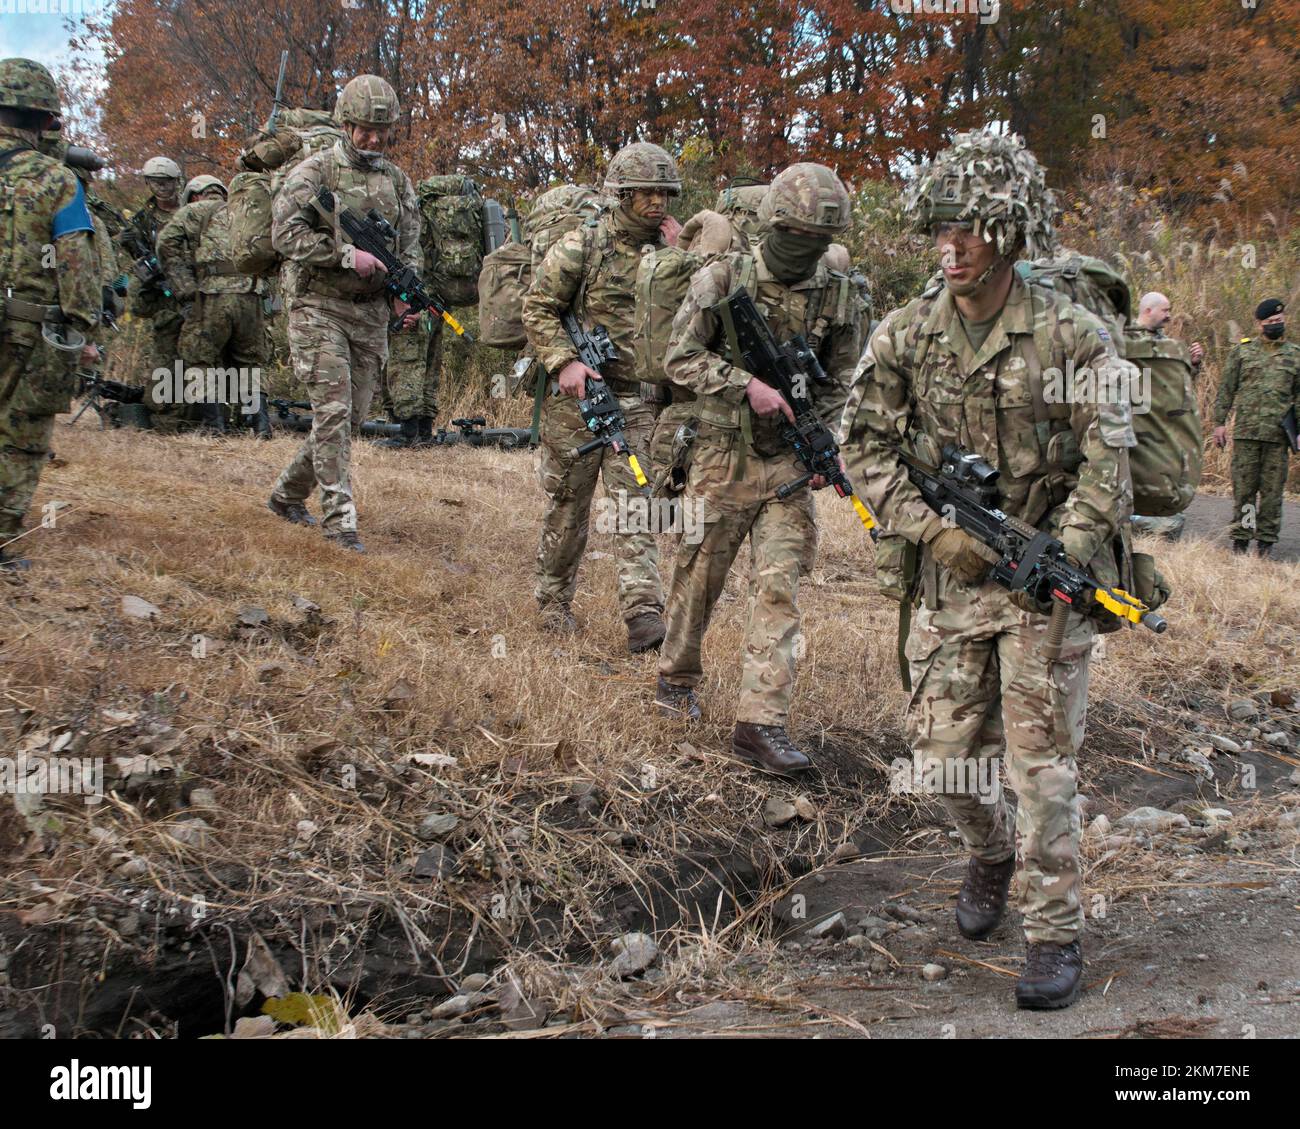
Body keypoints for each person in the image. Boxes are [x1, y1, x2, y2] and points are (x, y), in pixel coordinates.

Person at [841, 128, 1136, 1009]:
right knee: (940, 763)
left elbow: (1108, 462)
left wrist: (1068, 551)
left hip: (1045, 588)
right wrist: (936, 534)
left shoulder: (1074, 336)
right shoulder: (908, 331)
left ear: (1010, 231)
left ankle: (1053, 933)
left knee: (1041, 769)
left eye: (970, 226)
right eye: (943, 226)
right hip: (952, 579)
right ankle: (990, 853)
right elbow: (861, 444)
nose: (952, 244)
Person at [654, 164, 863, 775]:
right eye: (796, 235)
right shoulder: (723, 276)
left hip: (791, 461)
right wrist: (744, 383)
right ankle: (676, 678)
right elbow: (679, 359)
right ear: (773, 225)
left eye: (818, 240)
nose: (807, 250)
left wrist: (827, 442)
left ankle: (760, 724)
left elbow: (842, 379)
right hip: (723, 453)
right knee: (699, 578)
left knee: (780, 587)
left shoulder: (839, 291)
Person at [521, 142, 680, 650]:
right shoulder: (582, 246)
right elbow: (538, 307)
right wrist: (564, 362)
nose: (656, 202)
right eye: (645, 193)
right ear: (622, 194)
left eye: (664, 192)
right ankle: (551, 600)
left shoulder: (674, 251)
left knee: (636, 500)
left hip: (639, 400)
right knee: (569, 501)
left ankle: (643, 614)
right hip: (577, 400)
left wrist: (687, 256)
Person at [265, 74, 421, 551]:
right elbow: (283, 234)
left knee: (349, 420)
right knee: (331, 413)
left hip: (370, 316)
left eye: (381, 130)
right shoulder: (316, 171)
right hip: (319, 308)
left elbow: (411, 246)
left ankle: (287, 494)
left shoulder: (396, 181)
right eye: (363, 128)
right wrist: (344, 255)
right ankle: (340, 523)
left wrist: (405, 291)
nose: (373, 139)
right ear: (345, 123)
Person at [0, 59, 99, 570]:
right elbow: (77, 262)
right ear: (46, 120)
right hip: (27, 326)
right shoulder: (57, 181)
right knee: (22, 432)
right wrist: (83, 327)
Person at [157, 175, 270, 435]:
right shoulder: (246, 210)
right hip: (252, 295)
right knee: (249, 362)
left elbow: (165, 242)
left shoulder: (195, 211)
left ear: (196, 195)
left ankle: (213, 425)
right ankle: (260, 425)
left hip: (213, 294)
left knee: (199, 358)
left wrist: (184, 288)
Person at [1213, 298, 1299, 558]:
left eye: (1279, 321)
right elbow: (1227, 389)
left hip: (1277, 437)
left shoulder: (1295, 355)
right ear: (1259, 324)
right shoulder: (1243, 352)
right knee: (1245, 491)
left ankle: (1265, 545)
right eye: (1270, 322)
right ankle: (1242, 542)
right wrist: (1219, 423)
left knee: (1272, 494)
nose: (1276, 325)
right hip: (1247, 434)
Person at [1128, 291, 1201, 540]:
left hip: (1160, 425)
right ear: (1148, 311)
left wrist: (1191, 365)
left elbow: (1175, 388)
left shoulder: (1167, 345)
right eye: (1165, 311)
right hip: (1133, 424)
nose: (1169, 316)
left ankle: (1158, 533)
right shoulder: (1124, 340)